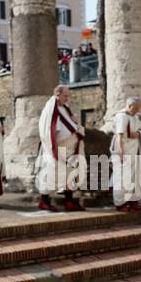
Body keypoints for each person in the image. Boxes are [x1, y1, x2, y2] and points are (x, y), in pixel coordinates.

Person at [36, 84, 85, 212]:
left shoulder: (65, 108)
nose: (67, 98)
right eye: (65, 96)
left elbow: (72, 124)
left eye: (68, 96)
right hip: (58, 148)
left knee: (71, 173)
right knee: (52, 173)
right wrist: (54, 148)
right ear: (57, 95)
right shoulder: (50, 109)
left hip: (71, 148)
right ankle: (44, 200)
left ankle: (69, 201)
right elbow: (47, 130)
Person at [109, 97, 141, 212]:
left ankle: (133, 202)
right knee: (122, 178)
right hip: (125, 152)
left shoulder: (135, 117)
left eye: (138, 109)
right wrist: (121, 152)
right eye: (135, 108)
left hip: (135, 152)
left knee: (135, 178)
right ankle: (120, 203)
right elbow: (119, 135)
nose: (137, 111)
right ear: (129, 106)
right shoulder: (121, 117)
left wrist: (138, 133)